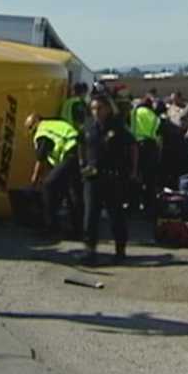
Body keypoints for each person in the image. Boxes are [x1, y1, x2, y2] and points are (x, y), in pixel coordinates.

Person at [79, 93, 137, 266]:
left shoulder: (117, 126)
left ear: (107, 108)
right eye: (93, 108)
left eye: (100, 108)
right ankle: (90, 252)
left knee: (115, 215)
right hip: (92, 178)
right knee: (90, 216)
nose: (96, 111)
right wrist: (82, 164)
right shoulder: (89, 126)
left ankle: (120, 251)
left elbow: (133, 146)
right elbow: (80, 143)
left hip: (112, 177)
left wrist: (133, 171)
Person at [25, 113, 82, 237]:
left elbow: (41, 156)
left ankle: (51, 227)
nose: (29, 132)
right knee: (72, 192)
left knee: (48, 185)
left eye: (29, 127)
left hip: (70, 153)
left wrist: (34, 179)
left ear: (36, 122)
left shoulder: (42, 131)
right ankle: (78, 229)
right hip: (79, 150)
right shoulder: (54, 124)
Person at [128, 94, 162, 215]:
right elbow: (157, 135)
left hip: (136, 145)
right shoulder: (155, 117)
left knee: (135, 176)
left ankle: (134, 206)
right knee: (150, 180)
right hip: (150, 146)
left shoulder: (135, 112)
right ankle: (149, 207)